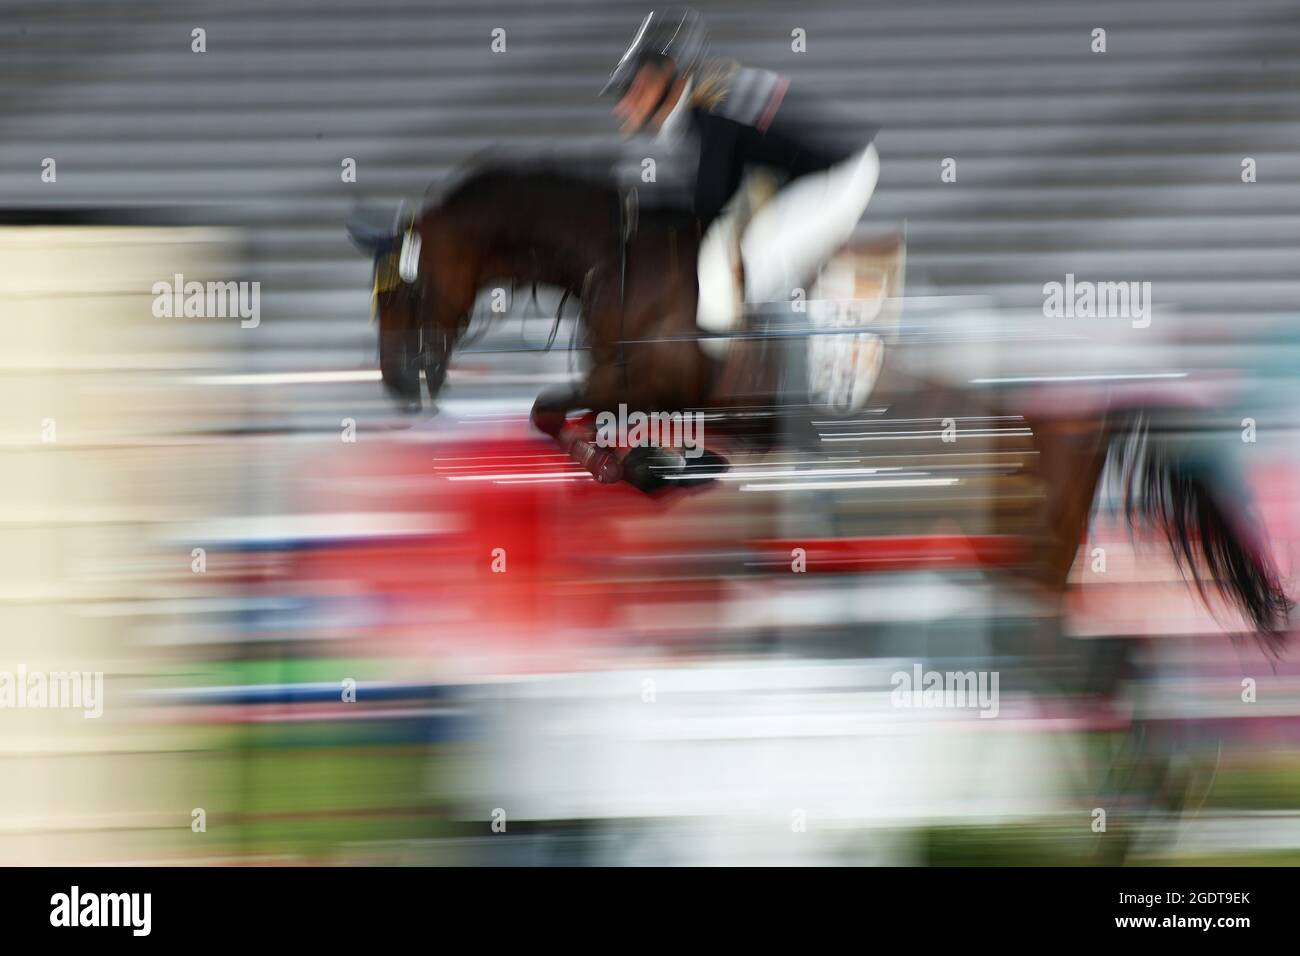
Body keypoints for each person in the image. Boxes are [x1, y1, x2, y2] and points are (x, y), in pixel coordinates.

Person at [602, 8, 881, 341]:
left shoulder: (709, 107)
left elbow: (710, 202)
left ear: (670, 75)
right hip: (813, 174)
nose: (625, 104)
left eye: (639, 86)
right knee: (738, 253)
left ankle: (796, 378)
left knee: (758, 260)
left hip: (842, 173)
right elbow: (716, 194)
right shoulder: (704, 97)